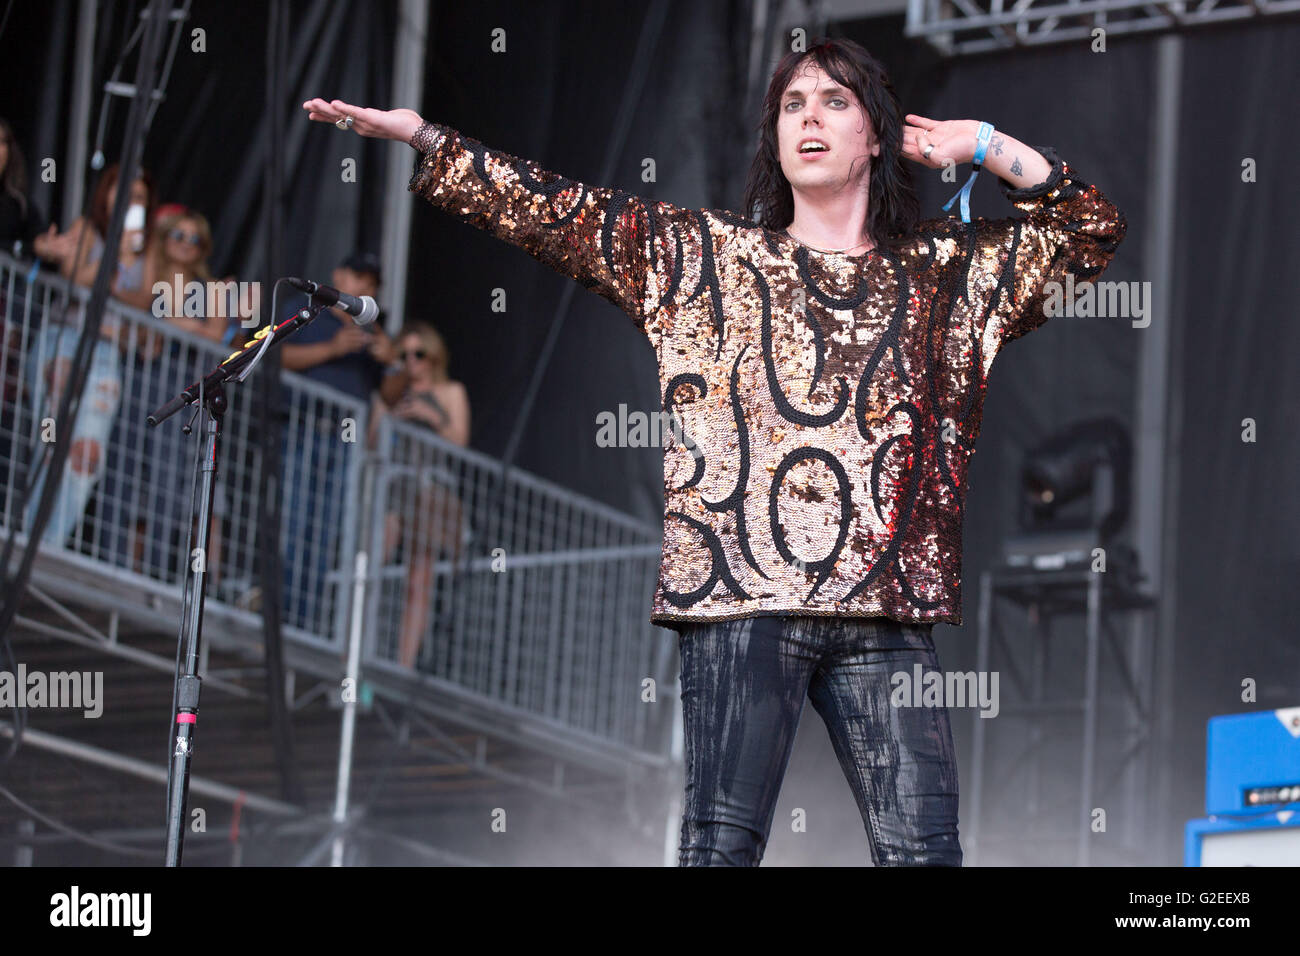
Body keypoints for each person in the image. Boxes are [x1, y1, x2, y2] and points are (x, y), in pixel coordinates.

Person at [303, 33, 1127, 866]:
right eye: (793, 104)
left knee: (927, 854)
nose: (809, 118)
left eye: (834, 102)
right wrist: (424, 136)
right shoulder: (703, 258)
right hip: (740, 601)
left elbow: (1090, 231)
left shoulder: (944, 276)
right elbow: (559, 212)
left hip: (885, 610)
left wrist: (982, 144)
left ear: (877, 134)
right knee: (720, 851)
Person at [25, 163, 157, 549]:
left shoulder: (144, 248)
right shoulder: (87, 228)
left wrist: (121, 273)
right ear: (106, 194)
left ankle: (49, 547)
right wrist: (114, 254)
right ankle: (30, 540)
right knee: (51, 445)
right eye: (123, 190)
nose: (130, 201)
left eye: (139, 197)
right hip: (65, 340)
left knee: (87, 457)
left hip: (106, 354)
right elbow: (73, 279)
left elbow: (145, 300)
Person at [277, 252, 397, 633]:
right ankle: (278, 619)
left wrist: (393, 362)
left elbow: (390, 395)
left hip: (346, 446)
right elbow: (274, 355)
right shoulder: (305, 310)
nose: (364, 287)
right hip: (303, 429)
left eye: (372, 283)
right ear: (338, 276)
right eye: (358, 277)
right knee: (293, 524)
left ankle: (304, 624)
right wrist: (333, 348)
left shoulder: (374, 331)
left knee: (325, 534)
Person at [369, 320, 470, 669]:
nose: (412, 361)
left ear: (433, 356)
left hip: (432, 487)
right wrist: (390, 410)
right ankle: (356, 647)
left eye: (419, 354)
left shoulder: (450, 391)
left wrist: (430, 416)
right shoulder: (392, 391)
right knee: (375, 559)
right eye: (405, 354)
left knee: (420, 578)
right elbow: (370, 440)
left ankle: (404, 663)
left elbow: (460, 441)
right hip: (396, 482)